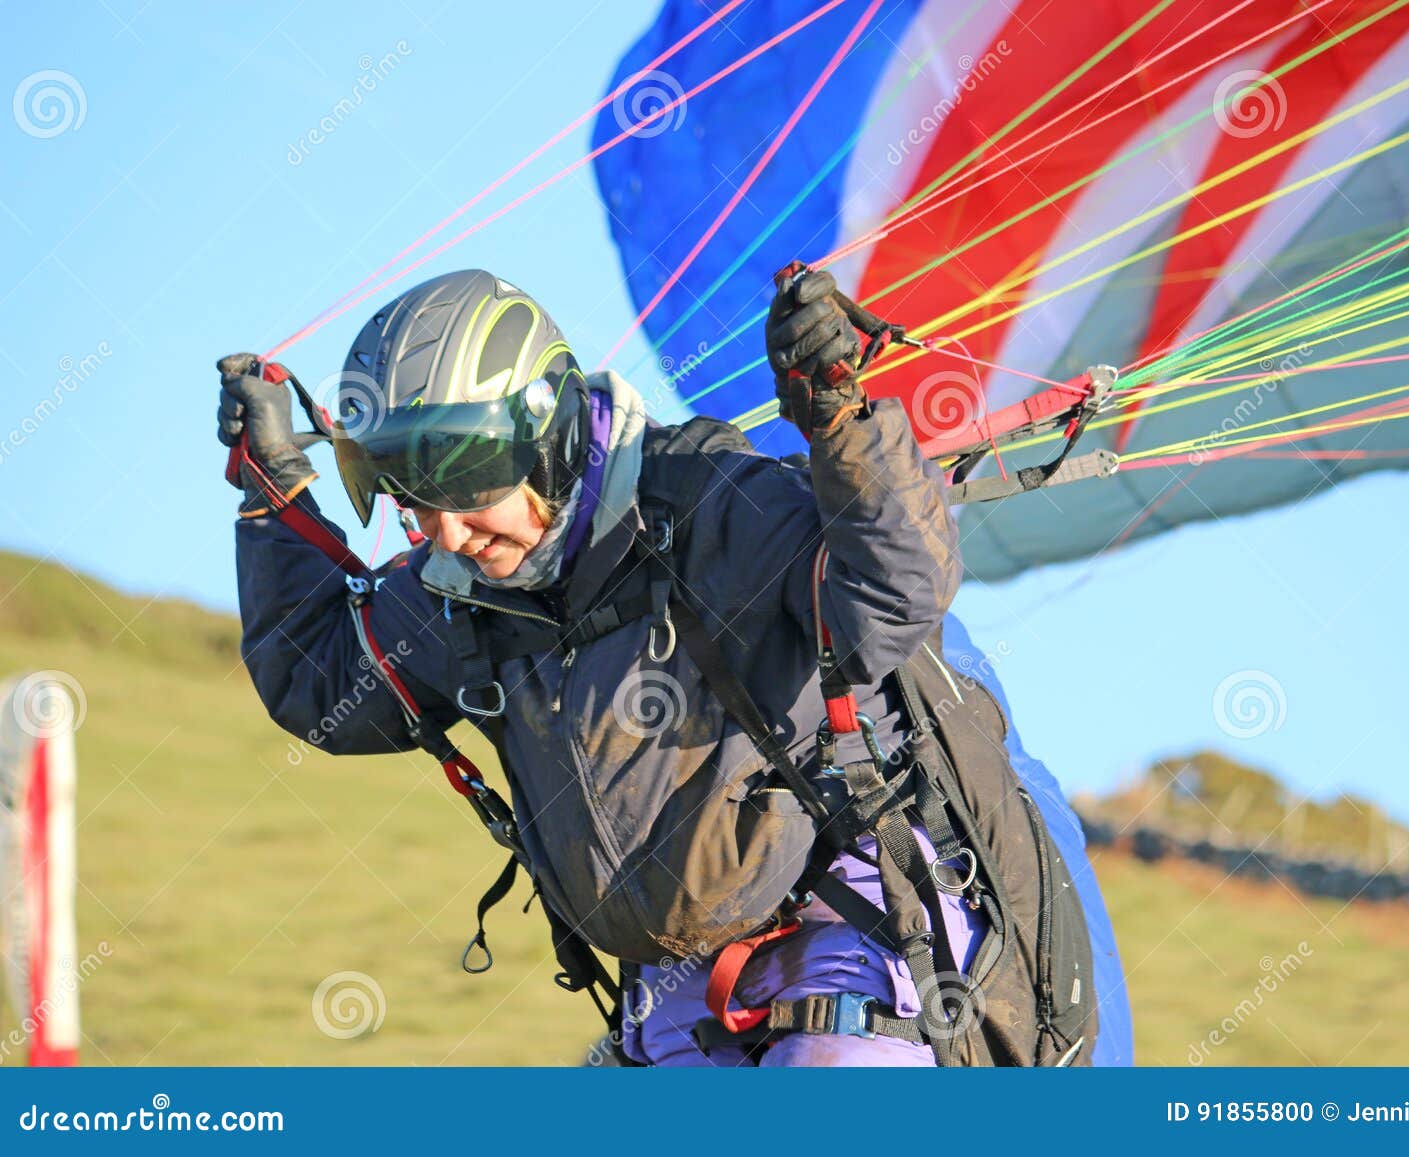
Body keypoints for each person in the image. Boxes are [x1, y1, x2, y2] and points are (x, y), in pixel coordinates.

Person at [218, 267, 1116, 1066]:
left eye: (466, 487)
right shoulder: (461, 589)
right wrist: (273, 494)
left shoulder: (713, 506)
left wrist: (841, 419)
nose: (445, 532)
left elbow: (895, 596)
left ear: (545, 433)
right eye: (413, 501)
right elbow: (322, 681)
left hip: (859, 921)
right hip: (681, 988)